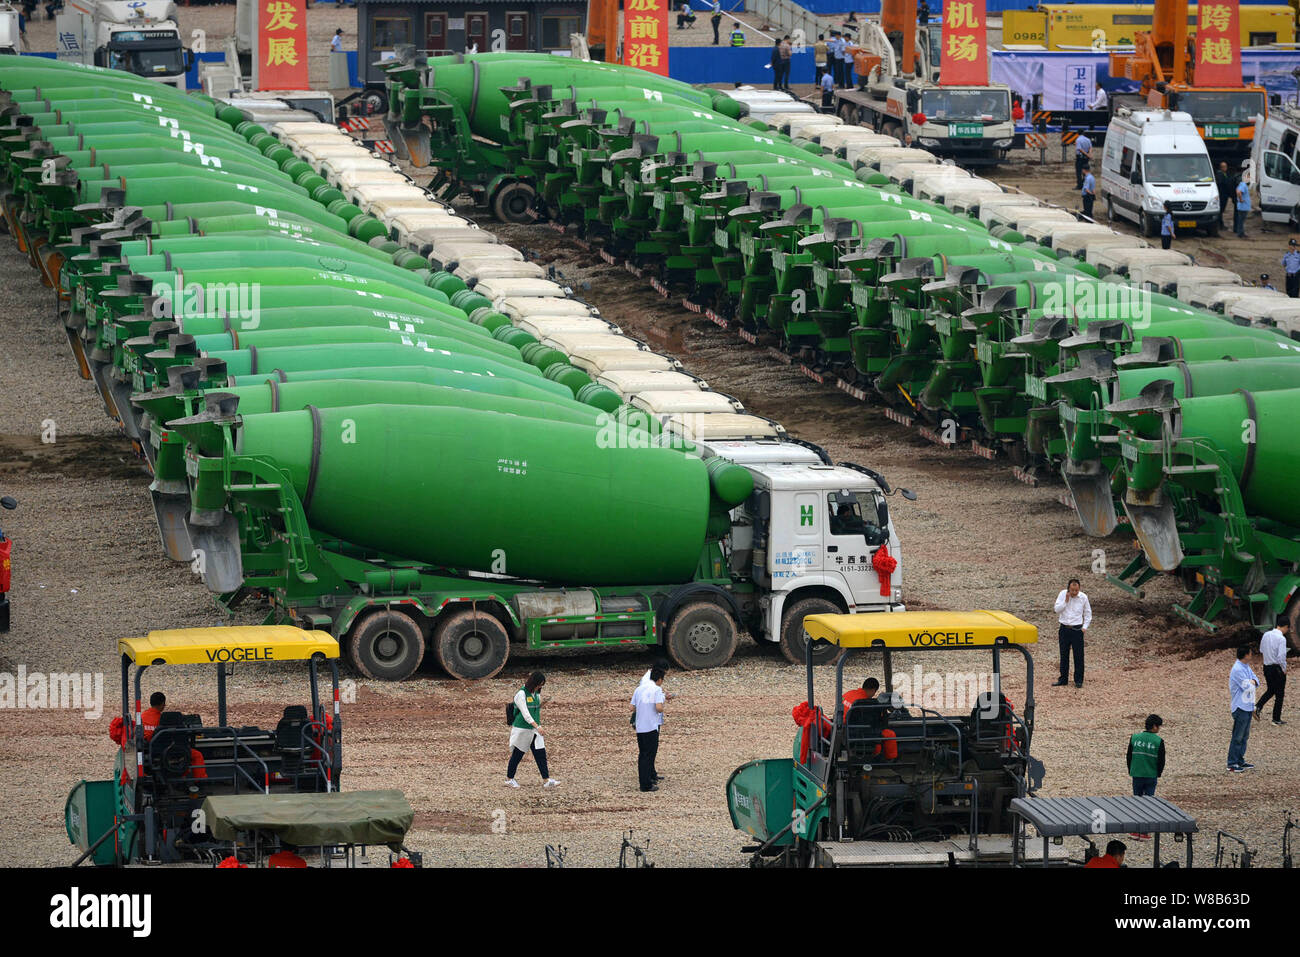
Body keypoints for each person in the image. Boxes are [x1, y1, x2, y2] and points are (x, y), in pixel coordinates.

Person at [506, 671, 559, 788]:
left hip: (534, 729)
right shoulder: (521, 694)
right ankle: (509, 779)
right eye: (539, 685)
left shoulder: (535, 694)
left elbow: (534, 708)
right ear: (533, 683)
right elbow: (525, 714)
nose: (540, 687)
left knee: (540, 754)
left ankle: (546, 780)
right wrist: (538, 726)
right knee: (518, 754)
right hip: (523, 729)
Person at [633, 667, 668, 792]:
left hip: (640, 727)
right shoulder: (657, 690)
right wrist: (663, 707)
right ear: (659, 679)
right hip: (651, 726)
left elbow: (632, 707)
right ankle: (647, 784)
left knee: (643, 755)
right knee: (650, 754)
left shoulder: (638, 689)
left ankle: (644, 781)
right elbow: (658, 707)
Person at [1053, 578, 1091, 687]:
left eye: (1076, 590)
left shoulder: (1083, 597)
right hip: (1064, 628)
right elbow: (1057, 609)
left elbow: (1088, 613)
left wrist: (1085, 627)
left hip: (1077, 629)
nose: (1074, 592)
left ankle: (1078, 680)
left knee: (1078, 656)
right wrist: (1066, 601)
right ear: (1068, 589)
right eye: (1072, 590)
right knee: (1064, 654)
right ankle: (1063, 679)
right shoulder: (1062, 594)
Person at [1228, 646, 1259, 772]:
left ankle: (1240, 760)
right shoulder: (1237, 669)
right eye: (1250, 653)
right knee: (1237, 736)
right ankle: (1232, 763)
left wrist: (1253, 682)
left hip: (1247, 706)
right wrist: (1252, 682)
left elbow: (1256, 680)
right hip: (1240, 706)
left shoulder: (1245, 666)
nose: (1251, 655)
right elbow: (1248, 687)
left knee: (1244, 736)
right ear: (1246, 655)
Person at [1126, 713, 1165, 812]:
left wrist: (1131, 769)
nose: (1159, 729)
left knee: (1137, 801)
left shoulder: (1134, 738)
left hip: (1137, 774)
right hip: (1151, 775)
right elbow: (1161, 761)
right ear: (1154, 726)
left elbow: (1129, 756)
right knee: (1149, 803)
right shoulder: (1159, 741)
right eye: (1158, 726)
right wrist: (1158, 773)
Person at [1256, 620, 1290, 725]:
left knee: (1271, 689)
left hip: (1266, 667)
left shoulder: (1266, 634)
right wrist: (1284, 669)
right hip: (1277, 668)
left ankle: (1258, 707)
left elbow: (1261, 650)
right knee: (1279, 694)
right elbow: (1281, 657)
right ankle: (1276, 719)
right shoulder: (1281, 639)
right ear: (1285, 626)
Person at [1234, 170, 1251, 238]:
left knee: (1241, 220)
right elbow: (1238, 192)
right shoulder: (1243, 184)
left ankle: (1241, 232)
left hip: (1243, 206)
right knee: (1241, 220)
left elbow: (1237, 190)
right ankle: (1240, 233)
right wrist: (1241, 199)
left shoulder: (1242, 184)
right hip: (1243, 206)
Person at [1216, 161, 1232, 226]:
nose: (1225, 168)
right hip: (1222, 195)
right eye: (1223, 167)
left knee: (1222, 210)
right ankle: (1220, 224)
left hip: (1225, 195)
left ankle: (1220, 223)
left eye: (1226, 166)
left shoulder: (1225, 174)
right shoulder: (1220, 174)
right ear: (1221, 168)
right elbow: (1221, 184)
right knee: (1220, 210)